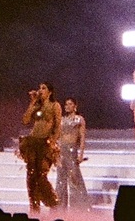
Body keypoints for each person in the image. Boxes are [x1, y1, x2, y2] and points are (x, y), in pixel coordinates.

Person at [19, 82, 62, 213]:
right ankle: (34, 206)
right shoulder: (37, 105)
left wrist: (52, 142)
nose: (40, 90)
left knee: (41, 175)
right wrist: (32, 103)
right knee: (31, 175)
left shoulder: (55, 105)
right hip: (33, 142)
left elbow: (58, 126)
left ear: (50, 92)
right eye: (39, 88)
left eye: (43, 88)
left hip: (45, 144)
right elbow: (25, 120)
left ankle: (53, 203)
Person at [56, 97, 91, 211]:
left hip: (72, 151)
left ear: (75, 106)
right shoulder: (61, 120)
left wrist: (81, 154)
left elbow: (82, 138)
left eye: (70, 104)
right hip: (61, 150)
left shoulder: (79, 119)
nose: (67, 106)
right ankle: (60, 207)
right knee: (61, 179)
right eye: (66, 104)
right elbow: (58, 136)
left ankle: (78, 207)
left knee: (74, 178)